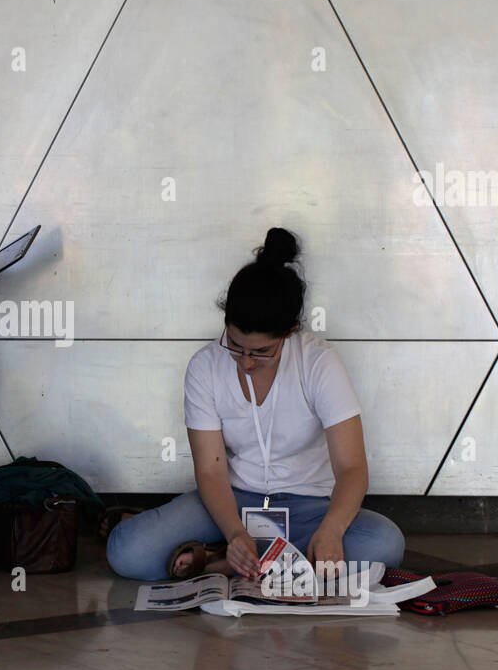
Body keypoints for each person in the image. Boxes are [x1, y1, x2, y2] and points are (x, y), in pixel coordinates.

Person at [106, 227, 404, 583]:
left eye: (261, 352)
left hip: (307, 507)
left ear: (290, 331)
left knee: (384, 545)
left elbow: (352, 468)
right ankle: (245, 552)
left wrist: (332, 531)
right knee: (128, 551)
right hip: (231, 501)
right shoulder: (205, 366)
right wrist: (234, 531)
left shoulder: (319, 362)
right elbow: (211, 471)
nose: (245, 362)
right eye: (235, 345)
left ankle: (222, 561)